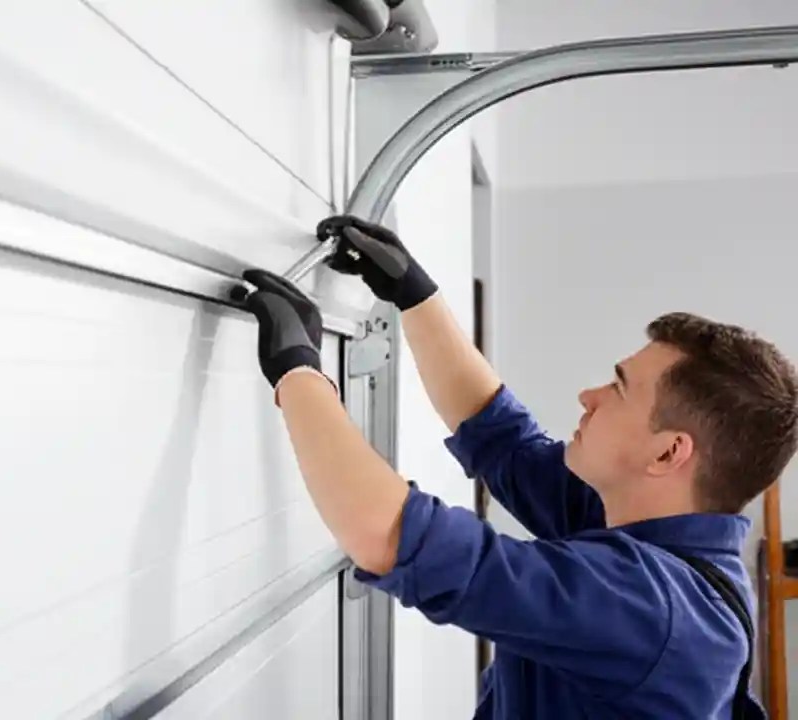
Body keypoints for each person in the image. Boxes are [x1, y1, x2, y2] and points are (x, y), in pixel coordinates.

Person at [239, 215, 798, 718]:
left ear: (668, 453)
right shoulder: (642, 525)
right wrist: (411, 291)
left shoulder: (650, 609)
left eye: (618, 390)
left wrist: (298, 372)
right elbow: (503, 438)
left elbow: (391, 536)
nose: (589, 395)